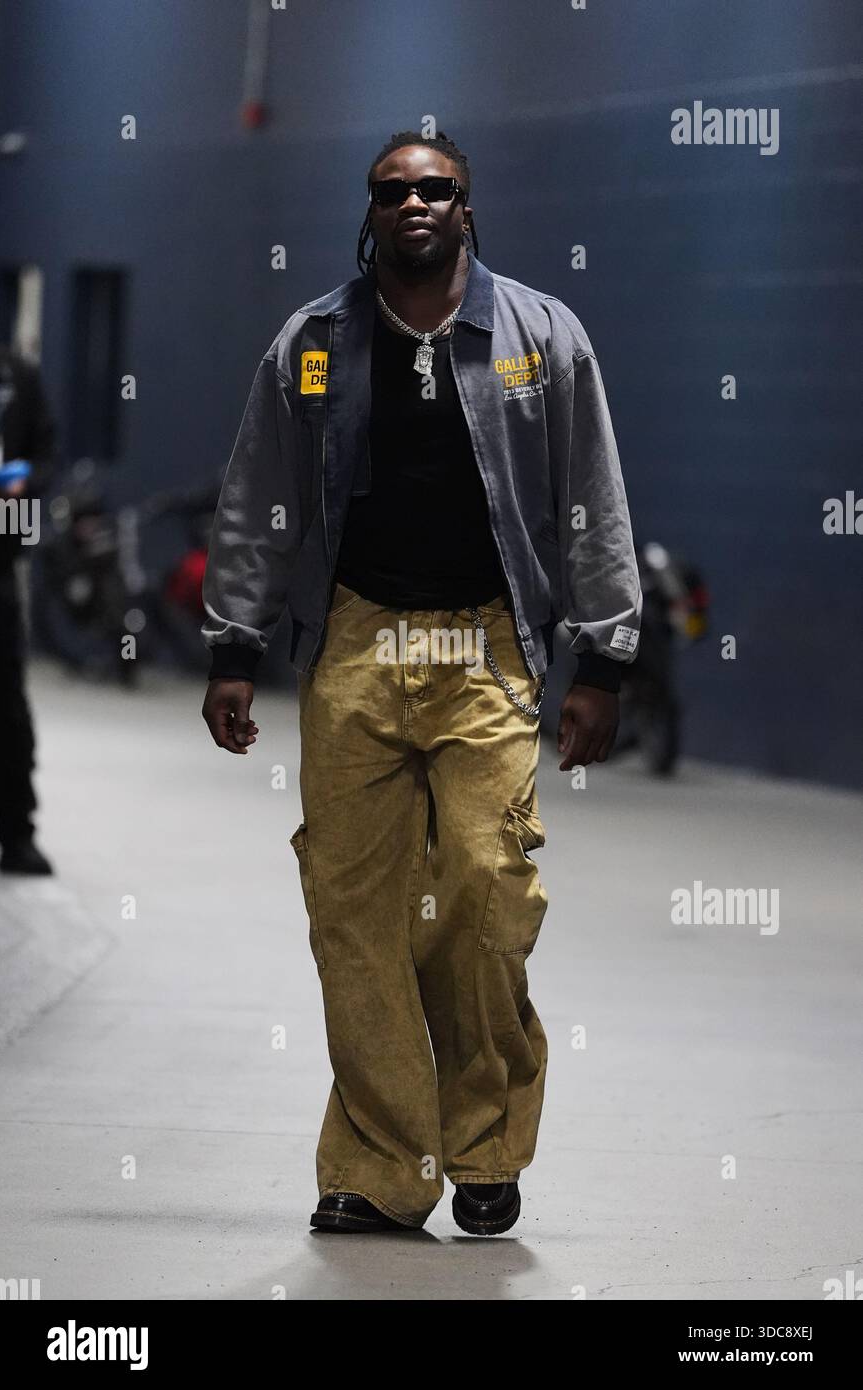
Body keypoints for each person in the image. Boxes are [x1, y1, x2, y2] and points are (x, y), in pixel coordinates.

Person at [201, 131, 642, 1235]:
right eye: (391, 190)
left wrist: (607, 656)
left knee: (486, 893)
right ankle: (378, 1168)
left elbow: (590, 493)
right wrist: (232, 649)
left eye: (433, 189)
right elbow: (259, 496)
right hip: (355, 643)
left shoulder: (540, 338)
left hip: (483, 650)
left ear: (466, 207)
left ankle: (485, 1143)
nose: (412, 205)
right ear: (369, 210)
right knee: (350, 914)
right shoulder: (312, 343)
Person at [0, 343, 55, 875]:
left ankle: (17, 833)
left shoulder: (19, 374)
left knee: (8, 705)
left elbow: (46, 454)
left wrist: (26, 482)